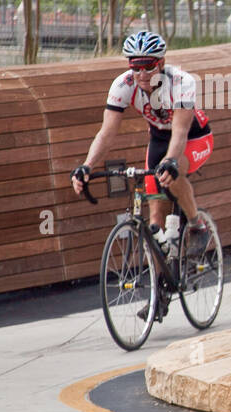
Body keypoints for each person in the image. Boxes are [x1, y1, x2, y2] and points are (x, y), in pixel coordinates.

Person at [71, 31, 213, 317]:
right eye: (135, 66)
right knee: (155, 223)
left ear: (161, 63)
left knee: (176, 173)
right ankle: (159, 290)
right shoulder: (123, 85)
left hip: (193, 138)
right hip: (159, 140)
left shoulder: (182, 82)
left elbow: (181, 132)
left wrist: (172, 161)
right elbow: (107, 132)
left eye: (148, 65)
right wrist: (87, 166)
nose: (142, 73)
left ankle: (197, 224)